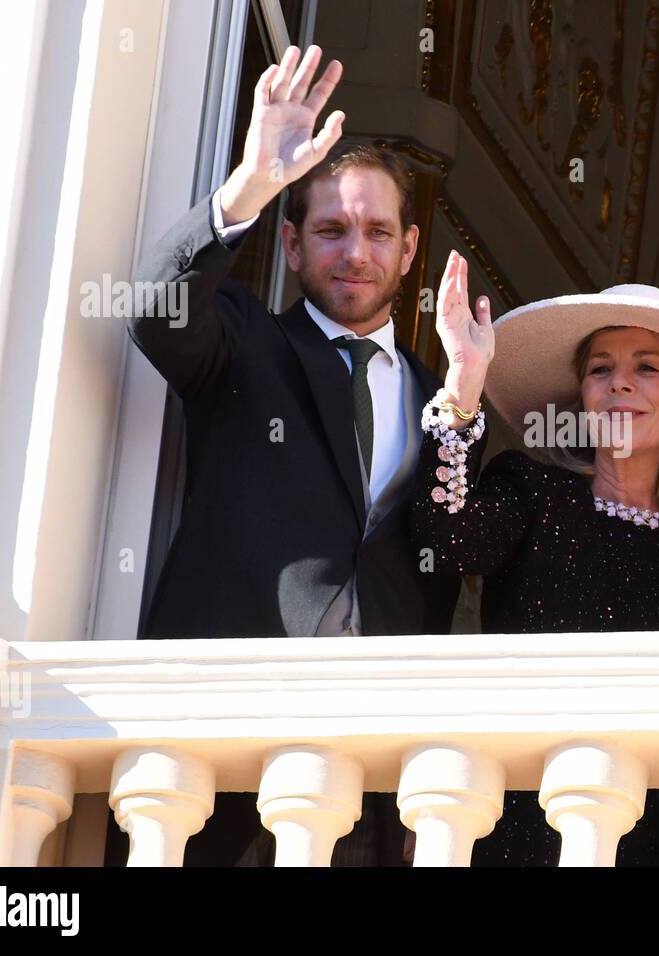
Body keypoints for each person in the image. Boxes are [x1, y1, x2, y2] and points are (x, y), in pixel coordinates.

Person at [115, 44, 473, 866]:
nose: (357, 251)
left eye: (379, 231)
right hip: (216, 757)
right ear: (290, 245)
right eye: (331, 230)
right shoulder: (243, 345)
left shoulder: (443, 400)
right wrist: (252, 181)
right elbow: (155, 312)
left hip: (367, 780)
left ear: (410, 250)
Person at [410, 278, 659, 865]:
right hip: (514, 825)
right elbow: (448, 538)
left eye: (647, 368)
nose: (619, 382)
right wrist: (463, 385)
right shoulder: (532, 493)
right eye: (600, 368)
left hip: (644, 836)